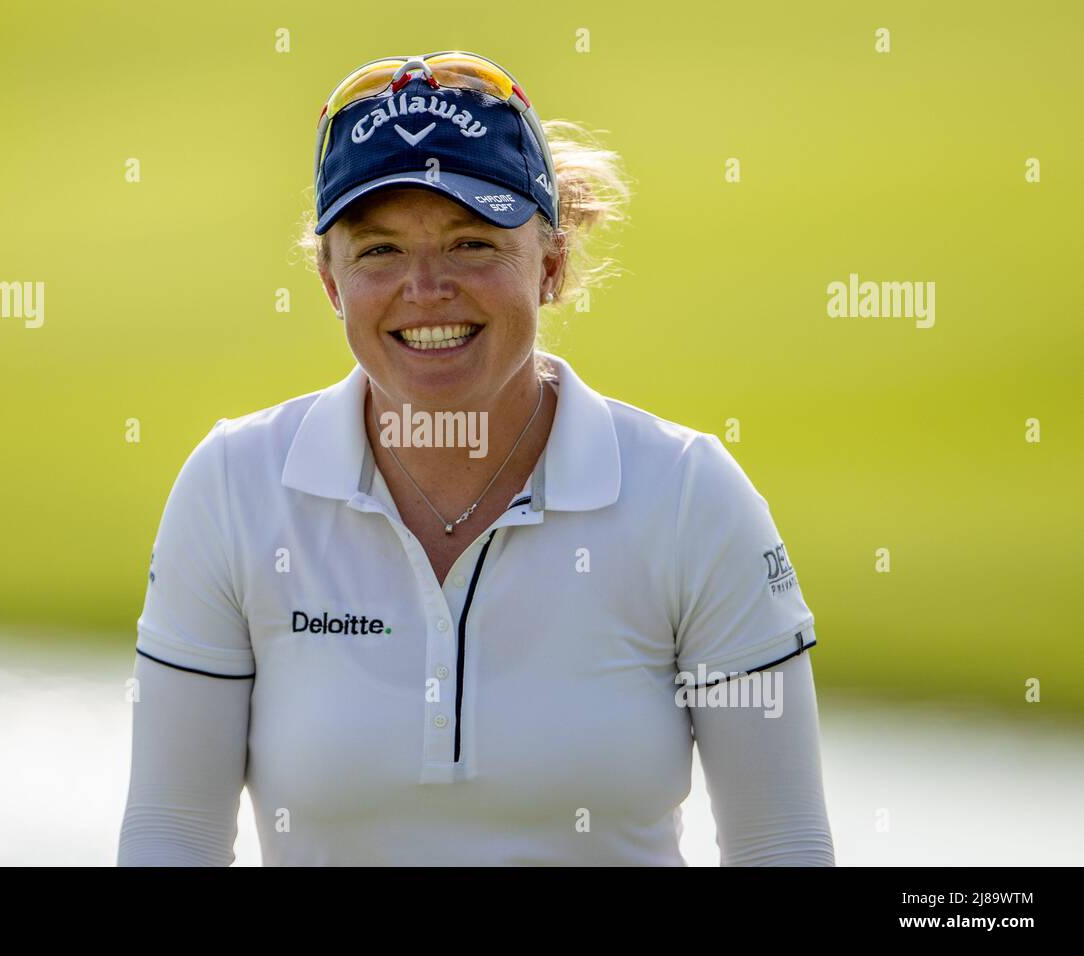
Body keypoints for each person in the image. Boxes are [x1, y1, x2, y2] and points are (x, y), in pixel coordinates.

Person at [117, 51, 834, 866]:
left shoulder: (689, 495)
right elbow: (170, 837)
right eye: (379, 250)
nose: (424, 289)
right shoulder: (232, 487)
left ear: (552, 264)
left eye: (470, 243)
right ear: (329, 280)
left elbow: (784, 845)